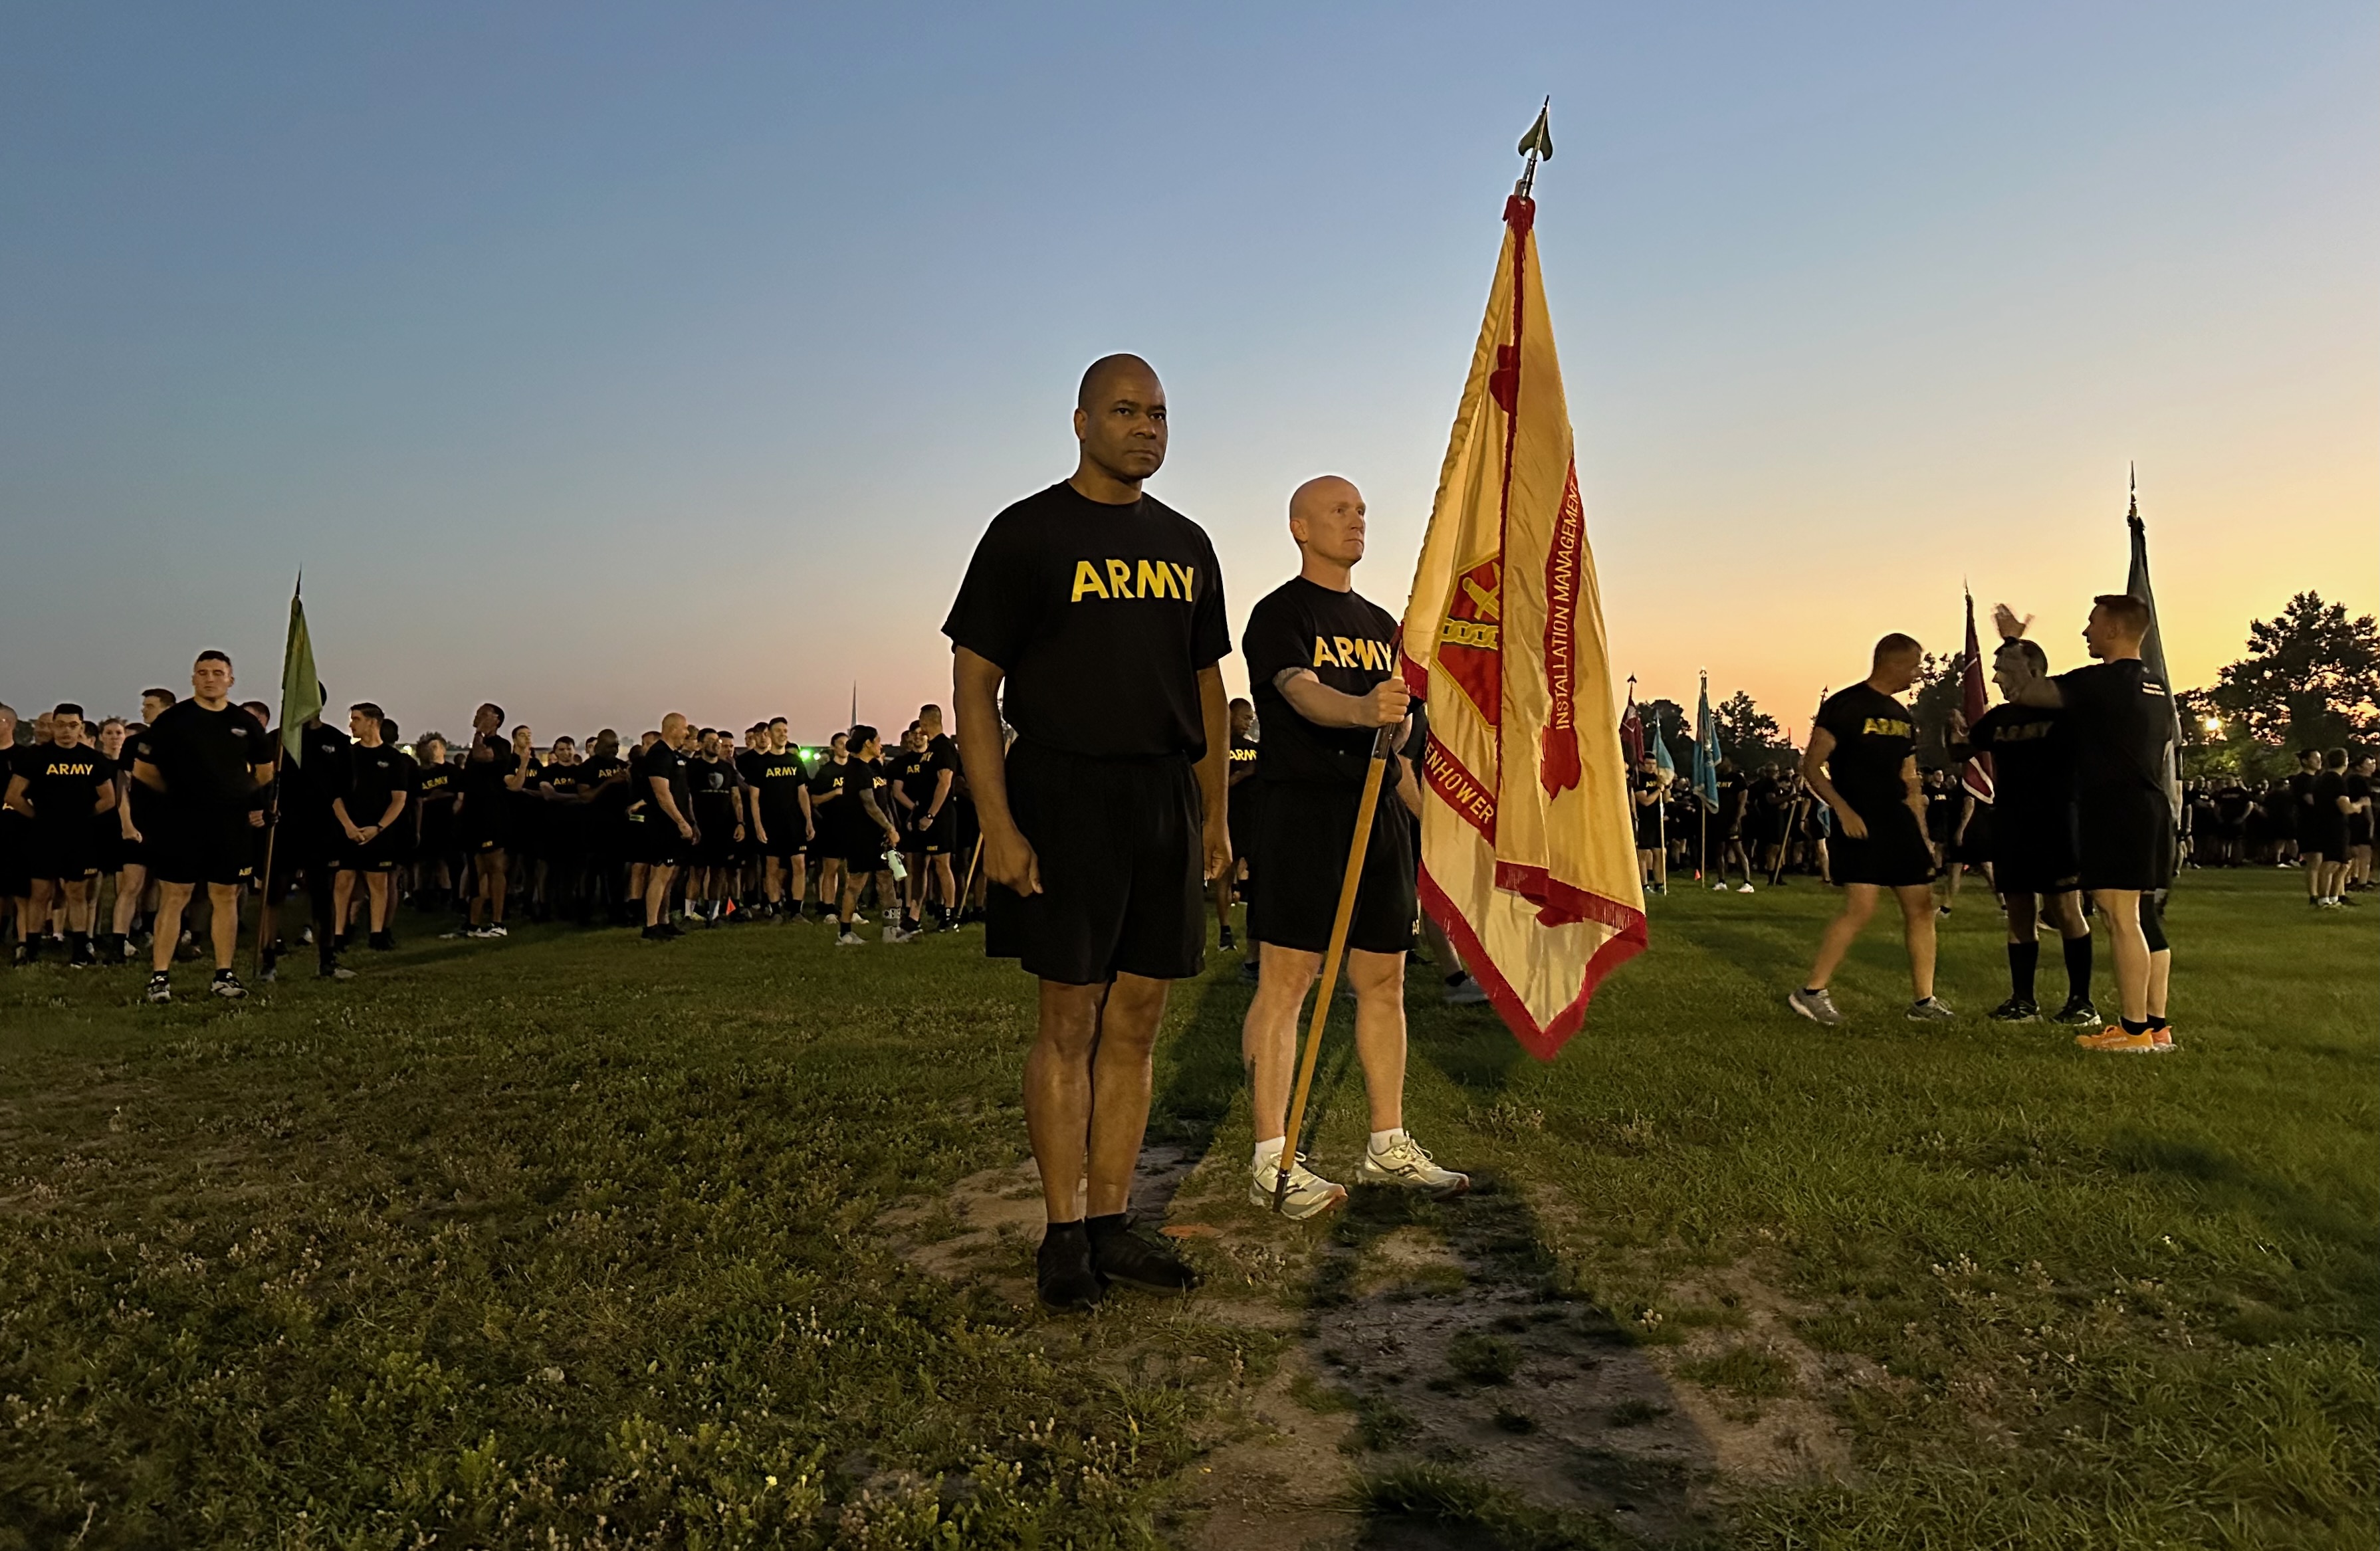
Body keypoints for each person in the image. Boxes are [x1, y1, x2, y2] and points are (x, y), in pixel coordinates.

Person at [944, 352, 1227, 1311]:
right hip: (1063, 792)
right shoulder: (1025, 533)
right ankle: (1063, 1232)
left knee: (1139, 1017)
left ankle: (1112, 1219)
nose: (1145, 426)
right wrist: (999, 819)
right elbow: (974, 686)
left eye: (1157, 412)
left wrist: (1215, 814)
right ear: (1079, 421)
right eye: (1124, 410)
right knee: (1068, 1016)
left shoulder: (1188, 545)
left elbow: (1206, 689)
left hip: (1163, 798)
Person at [1238, 475, 1469, 1219]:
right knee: (1288, 981)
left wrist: (1428, 811)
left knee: (1384, 982)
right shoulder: (1280, 611)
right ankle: (1272, 1157)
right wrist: (1361, 709)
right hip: (1303, 815)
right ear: (1299, 525)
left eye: (1362, 510)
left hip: (1379, 823)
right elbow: (1301, 692)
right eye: (1339, 510)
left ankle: (1387, 1143)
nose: (1355, 520)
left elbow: (1399, 743)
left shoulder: (1381, 624)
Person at [1994, 595, 2177, 1053]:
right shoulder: (2154, 685)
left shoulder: (2101, 681)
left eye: (2091, 623)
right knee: (2144, 920)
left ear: (2114, 629)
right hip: (2152, 809)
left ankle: (2132, 1032)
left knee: (2119, 919)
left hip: (2115, 810)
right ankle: (2156, 1026)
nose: (2086, 632)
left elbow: (2025, 693)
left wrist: (2014, 642)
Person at [1788, 634, 1952, 1025]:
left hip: (1899, 822)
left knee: (1922, 908)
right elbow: (1812, 766)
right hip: (1858, 820)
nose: (1917, 674)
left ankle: (1924, 1002)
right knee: (1861, 908)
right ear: (1892, 662)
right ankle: (1811, 992)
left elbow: (1910, 779)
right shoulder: (1845, 706)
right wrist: (1842, 810)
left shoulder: (1902, 716)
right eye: (1914, 666)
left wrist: (1924, 835)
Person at [1952, 639, 2098, 1025]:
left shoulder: (2068, 712)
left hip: (2057, 821)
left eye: (2004, 670)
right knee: (2019, 911)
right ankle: (2022, 1002)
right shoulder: (1999, 720)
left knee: (2066, 910)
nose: (1997, 679)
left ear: (2033, 670)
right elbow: (1961, 750)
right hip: (2012, 824)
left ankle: (2081, 1002)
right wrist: (1953, 733)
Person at [130, 652, 276, 1001]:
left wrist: (241, 797)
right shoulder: (173, 720)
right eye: (202, 673)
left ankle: (224, 975)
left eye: (218, 673)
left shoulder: (245, 722)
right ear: (193, 678)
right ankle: (160, 978)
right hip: (181, 825)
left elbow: (265, 771)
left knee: (225, 896)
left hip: (229, 825)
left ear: (231, 679)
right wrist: (179, 797)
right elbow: (144, 770)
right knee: (175, 896)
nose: (210, 678)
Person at [3, 703, 118, 968]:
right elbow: (13, 795)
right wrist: (40, 818)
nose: (67, 731)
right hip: (43, 836)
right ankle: (30, 949)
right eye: (61, 725)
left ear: (82, 727)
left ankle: (80, 948)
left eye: (73, 725)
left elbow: (109, 798)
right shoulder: (35, 757)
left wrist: (82, 818)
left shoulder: (93, 759)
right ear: (53, 725)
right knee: (40, 893)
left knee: (77, 893)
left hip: (80, 837)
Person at [332, 703, 413, 950]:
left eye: (356, 719)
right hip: (348, 828)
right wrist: (348, 826)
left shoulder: (395, 759)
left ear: (372, 722)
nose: (351, 725)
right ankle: (338, 933)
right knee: (343, 881)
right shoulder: (347, 755)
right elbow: (335, 796)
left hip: (379, 832)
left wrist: (378, 828)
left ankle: (377, 933)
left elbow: (399, 799)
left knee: (379, 883)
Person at [452, 704, 524, 940]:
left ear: (497, 720)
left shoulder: (500, 746)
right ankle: (472, 924)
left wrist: (479, 733)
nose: (477, 717)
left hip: (492, 815)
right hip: (473, 816)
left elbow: (483, 757)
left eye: (484, 714)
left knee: (495, 867)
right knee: (477, 871)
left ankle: (498, 922)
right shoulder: (476, 746)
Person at [827, 726, 903, 944]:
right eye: (878, 741)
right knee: (856, 883)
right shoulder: (856, 770)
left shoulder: (874, 767)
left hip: (881, 837)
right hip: (861, 836)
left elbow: (884, 799)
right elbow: (870, 804)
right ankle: (845, 932)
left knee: (887, 881)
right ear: (868, 743)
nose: (881, 745)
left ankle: (891, 931)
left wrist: (890, 828)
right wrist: (890, 827)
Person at [629, 713, 697, 940]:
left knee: (669, 876)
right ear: (672, 728)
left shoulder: (674, 756)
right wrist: (680, 821)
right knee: (659, 874)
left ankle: (664, 920)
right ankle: (650, 925)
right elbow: (662, 794)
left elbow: (682, 793)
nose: (687, 733)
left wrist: (690, 822)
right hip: (663, 826)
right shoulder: (659, 755)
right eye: (684, 728)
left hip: (676, 825)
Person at [752, 720, 813, 922]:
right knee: (772, 867)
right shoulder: (761, 763)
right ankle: (776, 910)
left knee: (800, 865)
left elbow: (802, 793)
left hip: (794, 822)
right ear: (769, 734)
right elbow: (754, 797)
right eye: (778, 731)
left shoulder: (795, 761)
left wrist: (809, 820)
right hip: (771, 822)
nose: (783, 734)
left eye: (785, 731)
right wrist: (758, 825)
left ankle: (796, 910)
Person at [1218, 697, 1259, 960]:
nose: (1247, 723)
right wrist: (1244, 775)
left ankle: (1256, 937)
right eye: (1244, 717)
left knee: (1257, 878)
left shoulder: (1256, 749)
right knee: (1225, 874)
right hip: (1228, 819)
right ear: (1231, 715)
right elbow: (1218, 786)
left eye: (1250, 719)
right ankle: (1224, 932)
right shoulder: (1220, 748)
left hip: (1253, 820)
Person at [2307, 749, 2353, 908]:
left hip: (2328, 823)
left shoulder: (2323, 779)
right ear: (2345, 761)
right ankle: (2324, 899)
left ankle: (2334, 898)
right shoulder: (2336, 781)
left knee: (2343, 864)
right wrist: (2360, 805)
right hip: (2334, 825)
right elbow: (2345, 806)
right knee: (2332, 863)